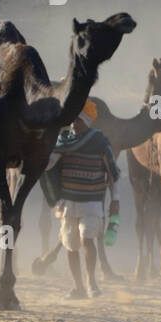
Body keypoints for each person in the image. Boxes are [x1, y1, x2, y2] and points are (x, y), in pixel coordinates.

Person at [43, 101, 120, 299]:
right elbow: (49, 165)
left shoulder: (100, 141)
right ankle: (78, 287)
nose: (74, 123)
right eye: (73, 119)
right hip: (68, 202)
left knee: (87, 239)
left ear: (87, 120)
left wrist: (115, 200)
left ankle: (91, 282)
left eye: (78, 119)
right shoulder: (63, 141)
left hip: (92, 202)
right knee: (70, 245)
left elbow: (113, 173)